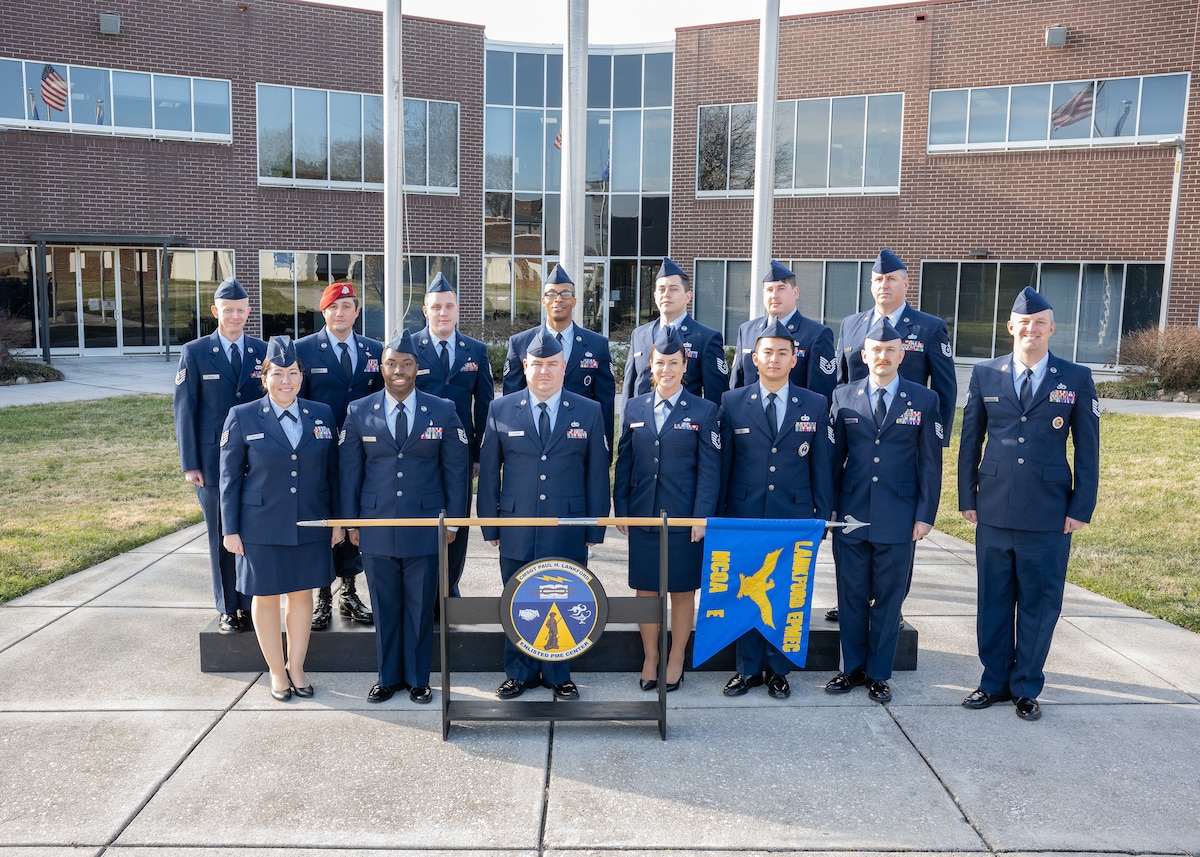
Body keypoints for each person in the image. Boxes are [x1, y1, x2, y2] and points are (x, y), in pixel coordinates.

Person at [958, 286, 1100, 722]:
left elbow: (1088, 448)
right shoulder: (986, 373)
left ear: (1052, 329)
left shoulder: (1075, 377)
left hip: (1049, 510)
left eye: (1040, 323)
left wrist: (1081, 506)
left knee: (1040, 601)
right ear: (1011, 327)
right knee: (994, 598)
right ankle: (992, 681)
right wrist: (968, 498)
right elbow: (970, 440)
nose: (1031, 329)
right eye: (1024, 322)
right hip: (994, 507)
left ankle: (1026, 687)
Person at [338, 330, 470, 705]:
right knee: (384, 604)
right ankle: (387, 676)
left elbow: (456, 473)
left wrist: (454, 523)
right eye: (392, 363)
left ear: (417, 368)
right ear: (381, 368)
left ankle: (418, 679)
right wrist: (352, 523)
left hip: (426, 524)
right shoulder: (359, 411)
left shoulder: (442, 410)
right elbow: (350, 472)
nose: (399, 370)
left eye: (407, 364)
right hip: (376, 524)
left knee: (418, 606)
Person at [478, 329, 610, 701]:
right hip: (516, 524)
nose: (545, 371)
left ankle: (558, 673)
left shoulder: (588, 410)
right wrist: (490, 523)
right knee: (518, 600)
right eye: (537, 365)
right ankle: (518, 672)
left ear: (564, 366)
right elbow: (490, 471)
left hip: (568, 525)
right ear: (525, 366)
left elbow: (597, 474)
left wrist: (595, 527)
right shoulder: (501, 409)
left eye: (552, 364)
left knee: (564, 598)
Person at [826, 247, 956, 624]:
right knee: (855, 530)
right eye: (879, 280)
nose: (885, 285)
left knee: (897, 532)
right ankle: (850, 601)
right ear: (871, 285)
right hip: (859, 437)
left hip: (908, 442)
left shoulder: (929, 327)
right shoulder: (852, 325)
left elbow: (945, 391)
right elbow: (842, 383)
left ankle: (891, 605)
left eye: (892, 279)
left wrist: (932, 443)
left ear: (906, 284)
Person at [826, 318, 943, 704]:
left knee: (890, 598)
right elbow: (833, 460)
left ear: (902, 354)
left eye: (890, 349)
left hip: (900, 513)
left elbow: (930, 462)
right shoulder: (843, 396)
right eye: (876, 350)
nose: (883, 356)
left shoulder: (923, 400)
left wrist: (926, 514)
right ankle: (851, 668)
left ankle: (878, 673)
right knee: (852, 594)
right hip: (851, 513)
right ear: (864, 355)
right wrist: (829, 513)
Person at [716, 320, 834, 699]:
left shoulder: (815, 404)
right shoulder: (732, 402)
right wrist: (720, 514)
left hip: (794, 514)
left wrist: (824, 513)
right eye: (767, 352)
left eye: (783, 352)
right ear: (754, 357)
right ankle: (748, 670)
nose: (774, 359)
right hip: (744, 514)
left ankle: (779, 670)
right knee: (747, 590)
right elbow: (725, 465)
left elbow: (821, 464)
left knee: (786, 592)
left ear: (795, 358)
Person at [218, 336, 341, 701]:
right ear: (264, 376)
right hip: (261, 524)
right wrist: (230, 528)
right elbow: (228, 476)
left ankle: (297, 666)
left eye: (292, 373)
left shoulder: (321, 414)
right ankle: (276, 671)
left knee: (302, 595)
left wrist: (336, 520)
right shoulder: (242, 416)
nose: (286, 381)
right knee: (267, 597)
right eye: (278, 374)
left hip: (309, 521)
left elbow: (334, 474)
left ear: (302, 376)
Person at [614, 325, 720, 692]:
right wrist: (622, 508)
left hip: (684, 516)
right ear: (651, 366)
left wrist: (702, 516)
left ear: (685, 365)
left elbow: (710, 469)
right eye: (661, 363)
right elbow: (623, 462)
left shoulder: (705, 411)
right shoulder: (634, 407)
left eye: (674, 363)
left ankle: (676, 659)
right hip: (643, 512)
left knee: (680, 590)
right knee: (646, 588)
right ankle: (651, 656)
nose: (667, 369)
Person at [174, 277, 267, 634]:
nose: (235, 316)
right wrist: (190, 464)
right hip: (212, 463)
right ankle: (228, 607)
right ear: (216, 311)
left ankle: (250, 603)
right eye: (228, 310)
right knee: (220, 534)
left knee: (252, 534)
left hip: (257, 459)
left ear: (248, 312)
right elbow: (185, 409)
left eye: (241, 310)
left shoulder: (262, 351)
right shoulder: (195, 352)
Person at [295, 281, 383, 630]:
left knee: (354, 519)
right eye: (334, 307)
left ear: (357, 312)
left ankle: (348, 592)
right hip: (321, 452)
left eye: (348, 307)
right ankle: (322, 597)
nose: (341, 313)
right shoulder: (304, 350)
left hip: (362, 452)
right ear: (324, 311)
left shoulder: (375, 351)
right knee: (326, 522)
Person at [413, 272, 495, 597]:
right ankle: (425, 584)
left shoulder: (475, 350)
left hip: (460, 455)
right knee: (423, 515)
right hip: (420, 452)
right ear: (425, 310)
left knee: (458, 517)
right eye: (436, 307)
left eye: (449, 306)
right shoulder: (410, 348)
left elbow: (485, 407)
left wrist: (479, 454)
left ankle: (450, 582)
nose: (443, 313)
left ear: (457, 309)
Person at [503, 264, 616, 456]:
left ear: (574, 300)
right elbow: (511, 399)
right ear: (543, 300)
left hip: (579, 440)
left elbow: (605, 402)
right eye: (551, 294)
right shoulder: (520, 343)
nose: (558, 299)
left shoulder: (597, 345)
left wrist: (604, 449)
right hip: (533, 441)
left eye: (565, 294)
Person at [622, 257, 727, 406]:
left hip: (685, 424)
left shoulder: (706, 338)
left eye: (673, 289)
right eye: (662, 289)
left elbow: (716, 396)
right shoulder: (639, 335)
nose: (666, 294)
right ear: (655, 296)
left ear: (688, 296)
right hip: (642, 425)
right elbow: (629, 389)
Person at [729, 259, 837, 403]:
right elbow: (736, 386)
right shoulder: (747, 330)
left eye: (781, 288)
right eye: (769, 290)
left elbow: (820, 394)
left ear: (795, 292)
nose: (774, 295)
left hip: (794, 419)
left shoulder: (816, 334)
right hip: (750, 418)